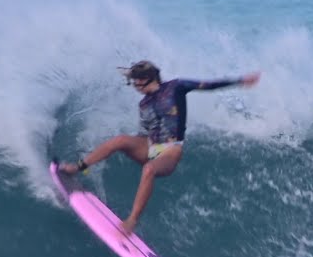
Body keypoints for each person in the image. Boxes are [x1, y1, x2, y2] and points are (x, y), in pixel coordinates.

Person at [60, 60, 260, 236]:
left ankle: (132, 221)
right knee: (119, 140)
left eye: (136, 81)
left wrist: (240, 81)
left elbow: (208, 85)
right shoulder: (144, 104)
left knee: (149, 169)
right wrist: (133, 147)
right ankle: (78, 168)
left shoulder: (176, 87)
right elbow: (145, 132)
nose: (134, 85)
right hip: (150, 146)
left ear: (147, 78)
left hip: (171, 150)